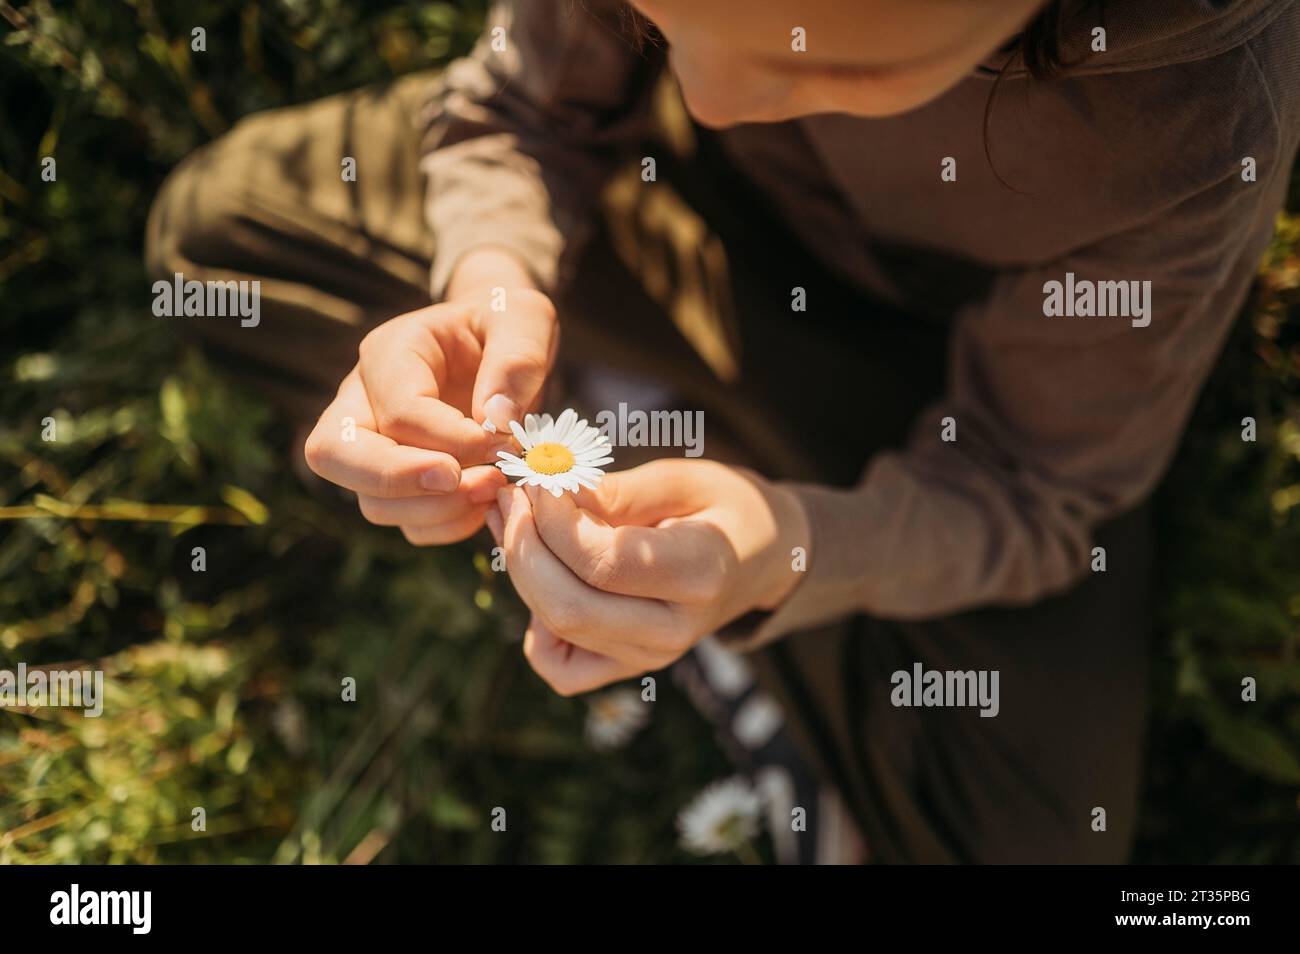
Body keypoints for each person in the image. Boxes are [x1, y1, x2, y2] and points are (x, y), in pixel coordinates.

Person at [146, 0, 1300, 863]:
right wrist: (488, 284)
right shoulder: (706, 96)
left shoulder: (1195, 112)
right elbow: (517, 112)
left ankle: (696, 528)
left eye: (841, 60)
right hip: (673, 220)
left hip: (958, 400)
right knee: (215, 238)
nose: (710, 96)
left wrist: (787, 547)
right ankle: (680, 529)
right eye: (663, 16)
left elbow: (1035, 488)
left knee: (1024, 838)